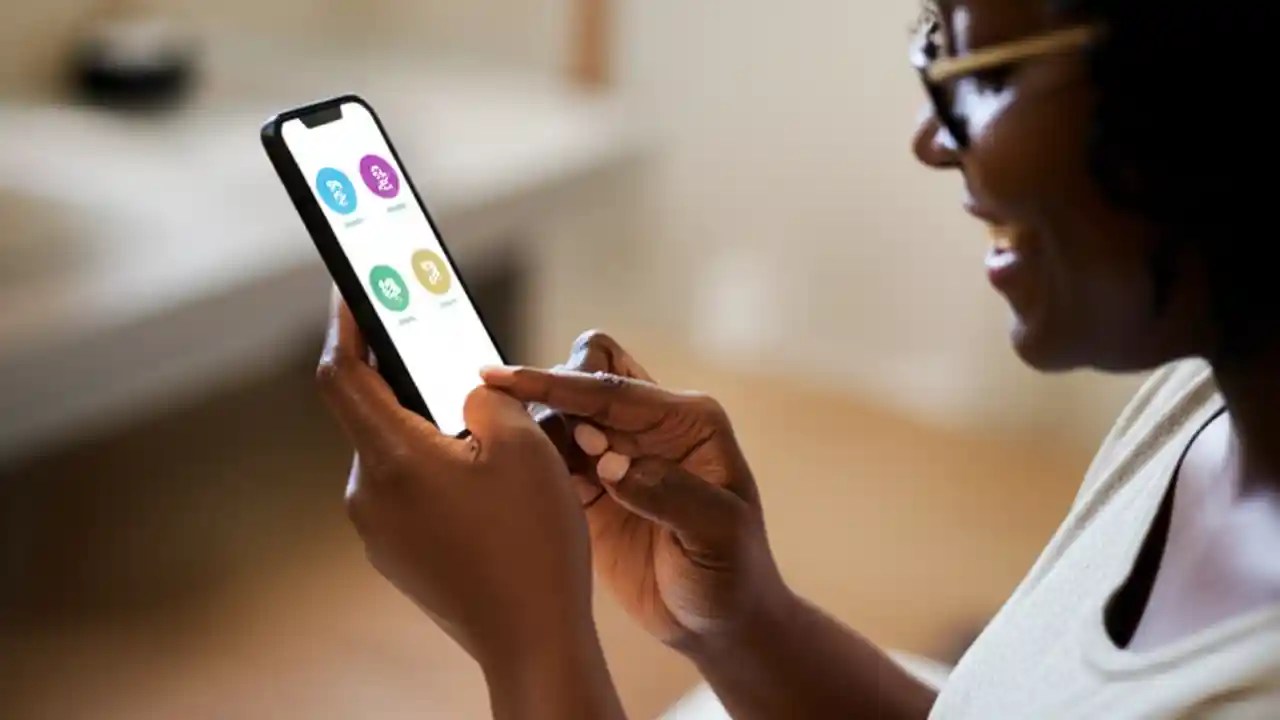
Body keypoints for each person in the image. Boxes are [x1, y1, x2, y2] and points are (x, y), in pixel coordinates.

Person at [313, 0, 1280, 716]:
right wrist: (739, 621)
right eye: (932, 45)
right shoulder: (1201, 401)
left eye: (986, 75)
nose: (930, 141)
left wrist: (529, 641)